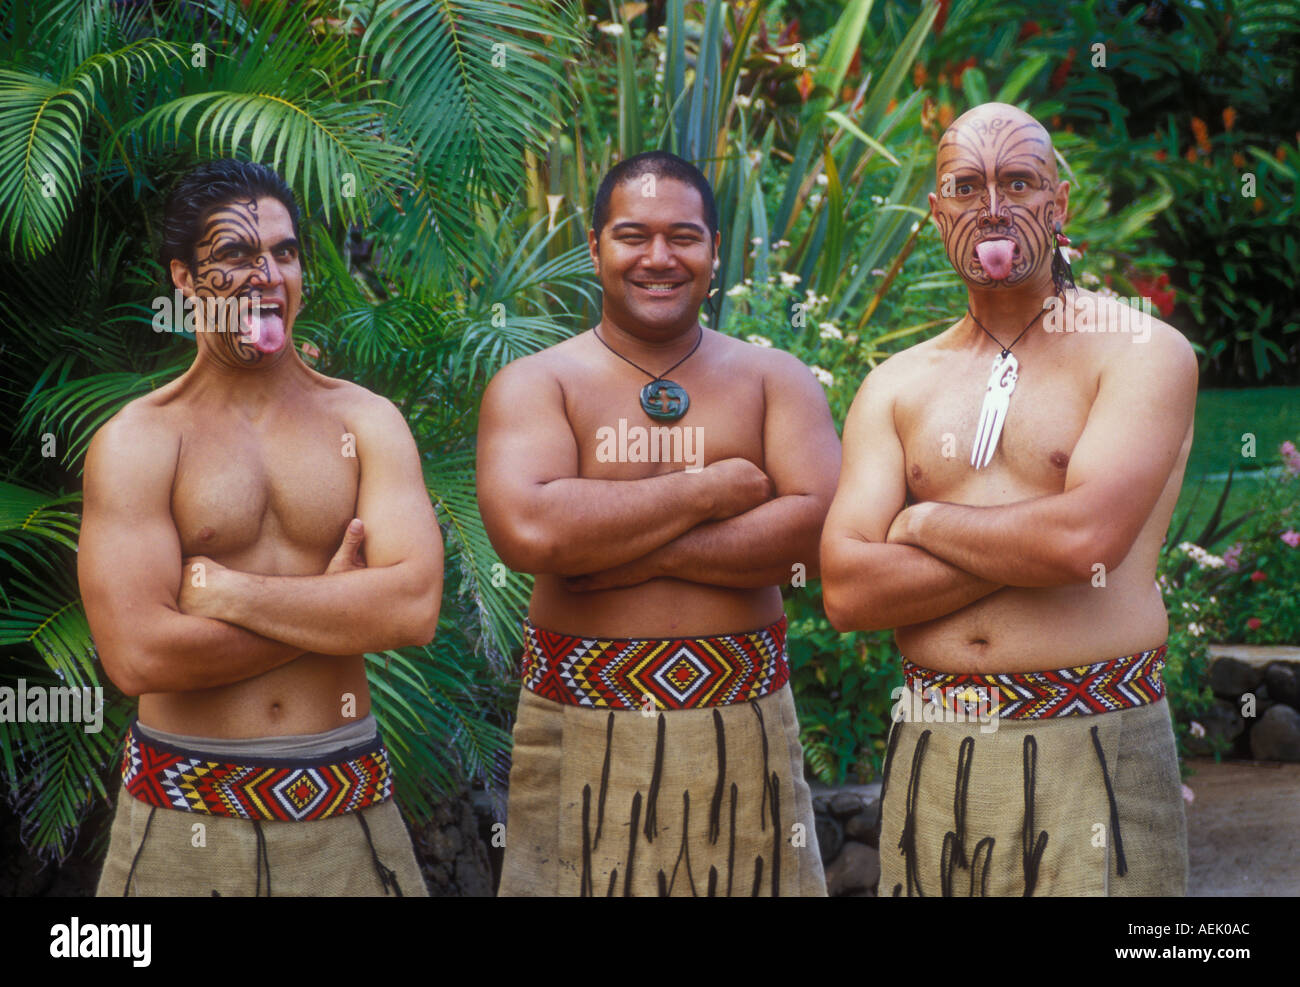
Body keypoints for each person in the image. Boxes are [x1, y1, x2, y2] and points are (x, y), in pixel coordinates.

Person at [820, 103, 1196, 897]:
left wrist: (919, 521)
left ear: (1057, 203)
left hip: (1095, 746)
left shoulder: (1140, 353)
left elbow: (1081, 545)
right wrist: (1036, 539)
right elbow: (849, 590)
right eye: (965, 186)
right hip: (935, 748)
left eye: (1018, 182)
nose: (991, 206)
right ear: (937, 211)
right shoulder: (897, 385)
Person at [478, 151, 840, 896]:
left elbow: (816, 532)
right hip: (576, 729)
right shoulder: (538, 382)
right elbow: (532, 532)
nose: (658, 258)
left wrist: (616, 556)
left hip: (745, 732)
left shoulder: (776, 379)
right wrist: (713, 488)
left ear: (714, 248)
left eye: (683, 236)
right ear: (595, 246)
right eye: (633, 235)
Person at [80, 159, 443, 897]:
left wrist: (234, 592)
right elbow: (140, 656)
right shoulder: (139, 442)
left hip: (346, 810)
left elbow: (410, 608)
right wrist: (331, 604)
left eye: (283, 252)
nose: (267, 275)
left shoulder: (366, 423)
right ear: (183, 278)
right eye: (237, 255)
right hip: (180, 819)